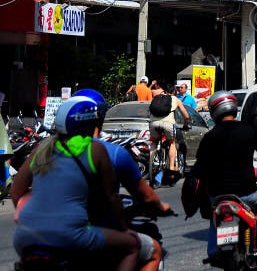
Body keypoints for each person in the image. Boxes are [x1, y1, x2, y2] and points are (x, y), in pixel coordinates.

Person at [11, 97, 141, 271]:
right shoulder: (95, 149)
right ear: (91, 125)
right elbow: (112, 197)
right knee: (132, 246)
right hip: (70, 235)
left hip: (24, 236)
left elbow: (15, 192)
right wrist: (123, 229)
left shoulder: (41, 149)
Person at [74, 89, 172, 271]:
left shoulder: (48, 151)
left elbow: (19, 193)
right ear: (101, 116)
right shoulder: (112, 152)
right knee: (153, 251)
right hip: (96, 230)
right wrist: (160, 206)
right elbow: (145, 195)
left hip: (50, 233)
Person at [191, 91, 257, 263]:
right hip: (247, 194)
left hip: (217, 196)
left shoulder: (209, 137)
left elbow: (200, 168)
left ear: (214, 111)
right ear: (234, 107)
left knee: (215, 215)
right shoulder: (249, 130)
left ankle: (213, 252)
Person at [149, 84, 190, 174]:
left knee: (154, 142)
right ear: (174, 92)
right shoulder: (176, 99)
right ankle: (171, 167)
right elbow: (186, 116)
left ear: (165, 91)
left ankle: (151, 163)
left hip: (153, 123)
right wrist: (185, 125)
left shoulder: (157, 98)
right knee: (172, 143)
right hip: (167, 124)